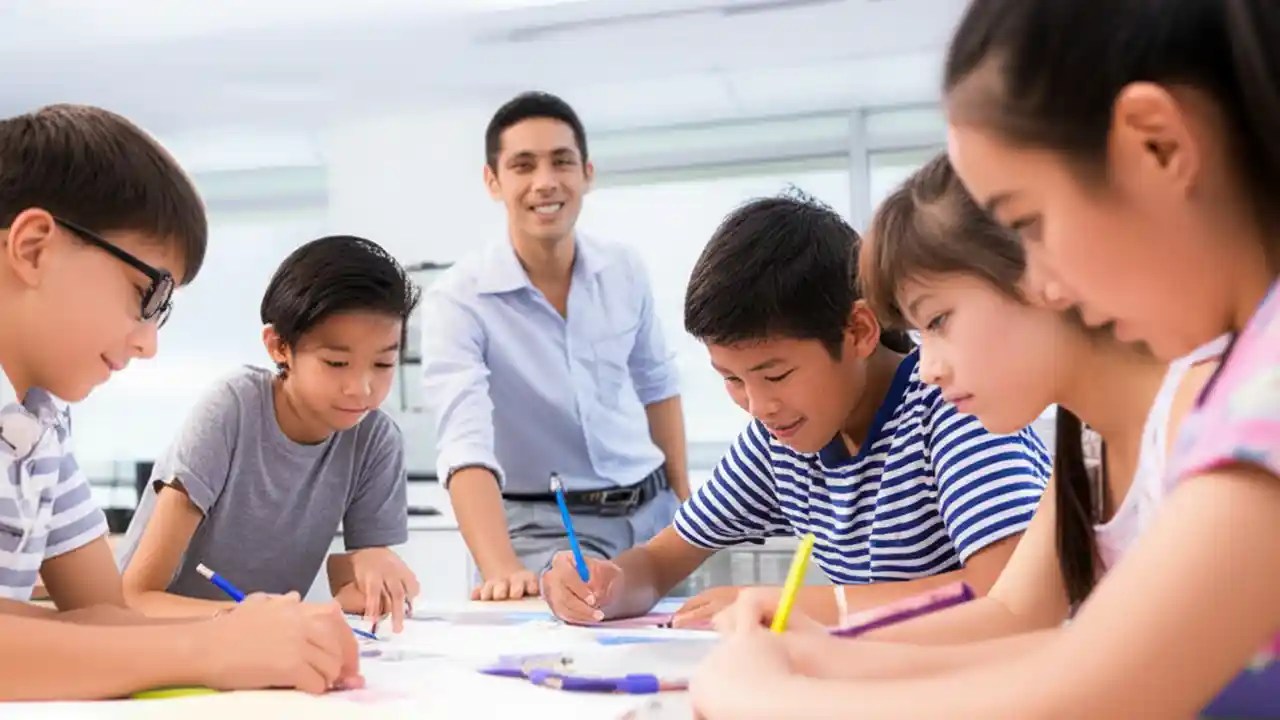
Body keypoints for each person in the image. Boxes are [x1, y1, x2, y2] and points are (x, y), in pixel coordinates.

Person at [690, 1, 1280, 717]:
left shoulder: (1247, 388)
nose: (1040, 279)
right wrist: (821, 658)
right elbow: (1050, 638)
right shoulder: (1134, 418)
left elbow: (1100, 688)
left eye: (1027, 223)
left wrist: (767, 697)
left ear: (1157, 145)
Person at [710, 152, 1221, 669]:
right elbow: (1009, 614)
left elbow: (1121, 667)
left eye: (938, 321)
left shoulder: (1204, 411)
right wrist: (815, 655)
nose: (927, 368)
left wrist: (812, 662)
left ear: (1041, 267)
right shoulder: (1088, 444)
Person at [541, 192, 1051, 628]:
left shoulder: (952, 400)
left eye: (776, 375)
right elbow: (659, 560)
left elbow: (1006, 587)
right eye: (732, 380)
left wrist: (792, 606)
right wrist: (604, 586)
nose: (758, 405)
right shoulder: (779, 436)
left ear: (858, 331)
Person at [0, 104, 358, 699]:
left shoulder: (38, 419)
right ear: (35, 248)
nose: (147, 342)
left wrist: (254, 631)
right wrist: (212, 647)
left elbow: (100, 615)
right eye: (147, 295)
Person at [421, 91, 687, 601]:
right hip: (549, 531)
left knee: (685, 662)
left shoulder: (624, 268)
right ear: (493, 181)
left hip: (656, 515)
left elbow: (658, 384)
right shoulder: (459, 299)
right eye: (523, 165)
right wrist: (499, 567)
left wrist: (684, 500)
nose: (546, 181)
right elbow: (464, 441)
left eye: (561, 162)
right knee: (565, 668)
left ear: (587, 172)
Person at [118, 236, 421, 632]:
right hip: (157, 638)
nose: (362, 388)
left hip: (255, 650)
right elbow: (135, 597)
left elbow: (347, 586)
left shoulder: (374, 438)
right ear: (279, 346)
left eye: (383, 364)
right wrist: (254, 620)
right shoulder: (233, 408)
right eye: (336, 362)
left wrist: (371, 567)